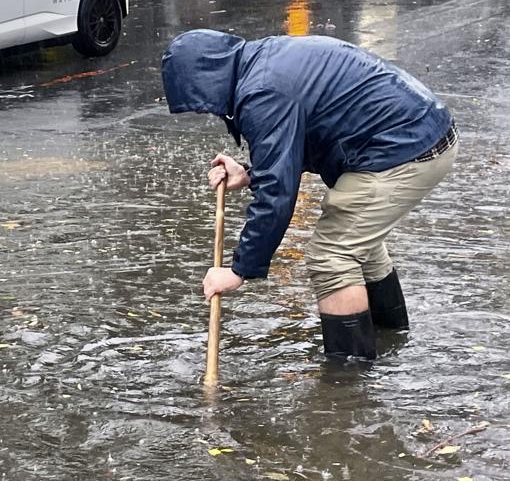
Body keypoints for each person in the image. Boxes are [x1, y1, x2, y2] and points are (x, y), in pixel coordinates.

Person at [161, 30, 457, 360]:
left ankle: (348, 377)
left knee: (332, 255)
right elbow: (293, 146)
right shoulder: (262, 63)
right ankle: (392, 339)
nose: (208, 113)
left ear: (207, 82)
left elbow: (276, 193)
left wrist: (238, 271)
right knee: (358, 243)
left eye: (201, 104)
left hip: (405, 148)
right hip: (422, 133)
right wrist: (249, 173)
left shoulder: (262, 93)